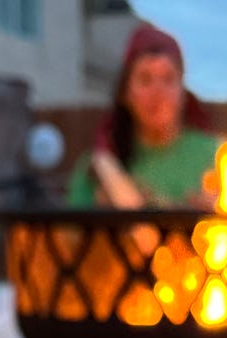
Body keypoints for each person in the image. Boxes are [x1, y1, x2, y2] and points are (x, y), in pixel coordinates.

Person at [67, 23, 218, 210]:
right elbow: (66, 237)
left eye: (168, 79)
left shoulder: (217, 156)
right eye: (145, 80)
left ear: (183, 93)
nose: (158, 92)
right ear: (125, 94)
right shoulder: (96, 167)